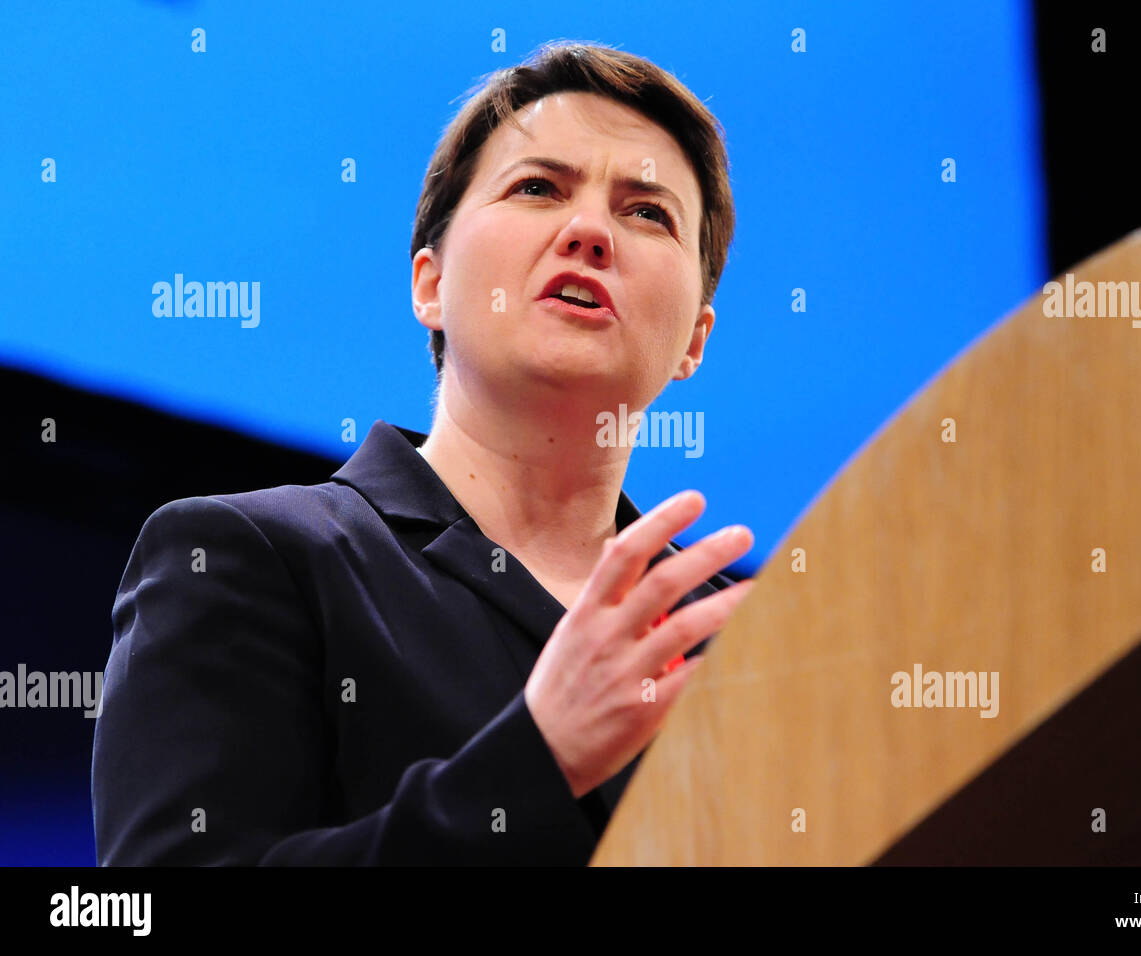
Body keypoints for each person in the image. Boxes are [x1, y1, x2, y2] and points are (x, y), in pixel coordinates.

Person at [92, 41, 753, 866]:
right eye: (538, 188)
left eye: (646, 211)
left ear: (695, 338)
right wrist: (539, 758)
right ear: (430, 285)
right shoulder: (252, 558)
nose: (588, 231)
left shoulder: (755, 649)